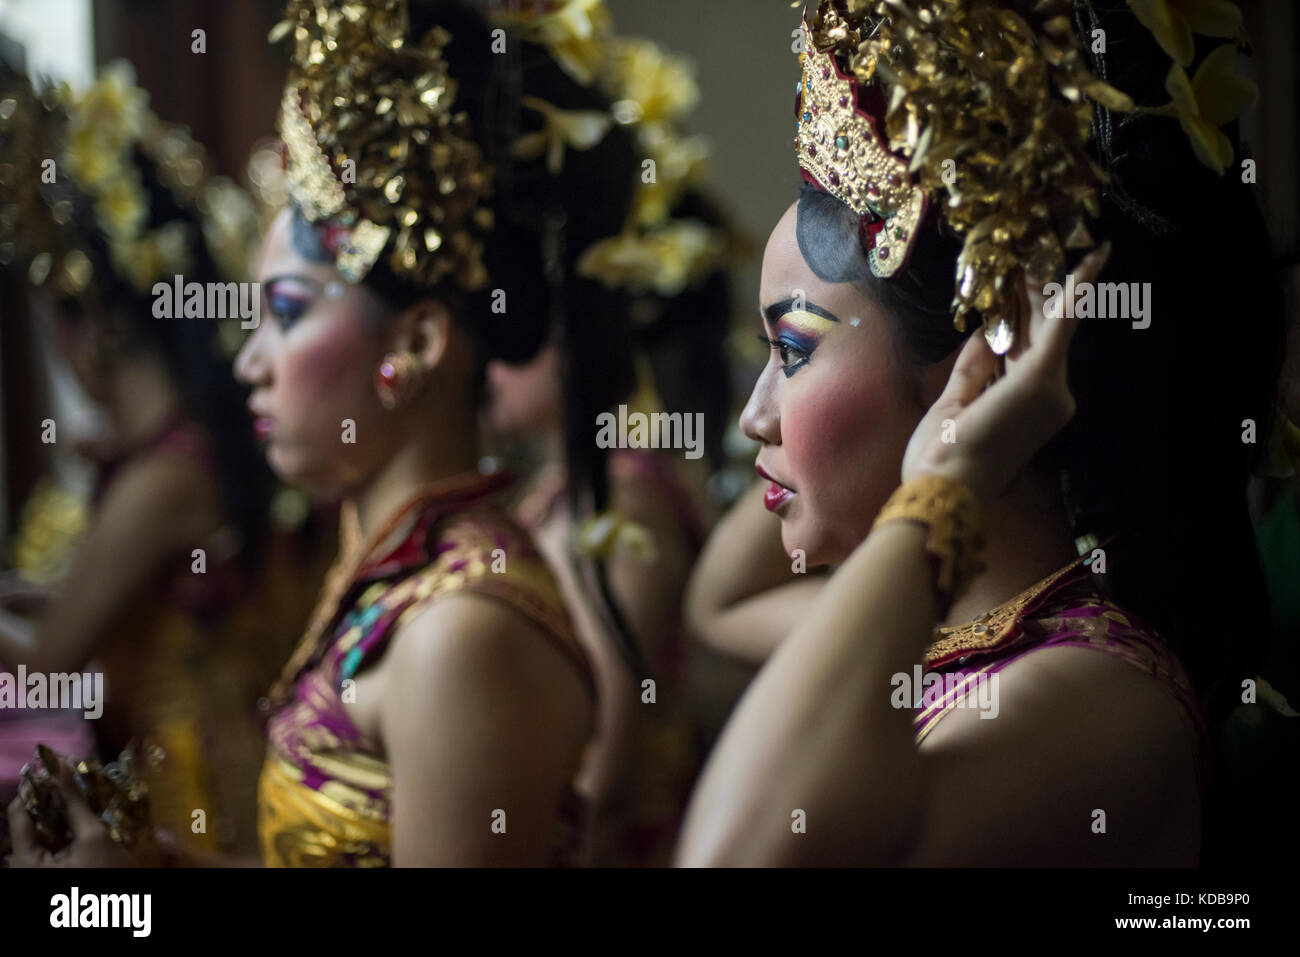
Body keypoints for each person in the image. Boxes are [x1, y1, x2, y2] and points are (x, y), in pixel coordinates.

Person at [677, 0, 1281, 866]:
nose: (753, 414)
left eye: (795, 349)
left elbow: (741, 851)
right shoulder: (927, 635)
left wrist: (945, 487)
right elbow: (720, 604)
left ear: (978, 374)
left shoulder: (1096, 694)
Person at [0, 59, 278, 855]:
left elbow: (49, 666)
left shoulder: (165, 476)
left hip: (190, 790)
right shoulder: (167, 456)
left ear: (102, 324)